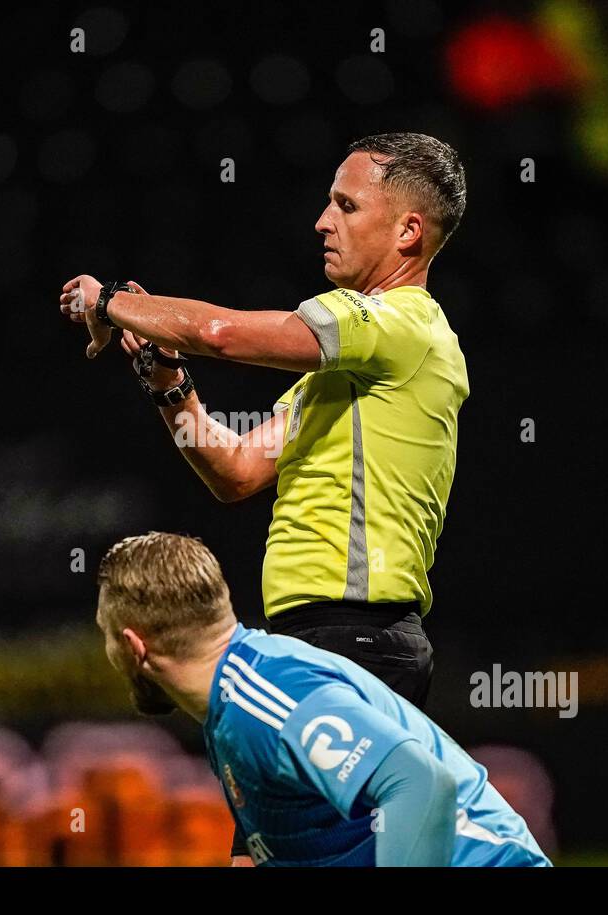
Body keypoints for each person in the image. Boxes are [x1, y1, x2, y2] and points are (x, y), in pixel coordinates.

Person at [60, 133, 471, 862]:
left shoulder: (402, 329)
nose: (322, 220)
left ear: (409, 230)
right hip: (311, 643)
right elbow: (237, 470)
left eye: (346, 204)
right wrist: (166, 382)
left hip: (357, 642)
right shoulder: (349, 372)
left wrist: (114, 301)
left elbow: (219, 332)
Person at [94, 531, 551, 867]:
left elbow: (421, 785)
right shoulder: (234, 702)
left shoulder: (265, 696)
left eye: (106, 636)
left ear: (135, 647)